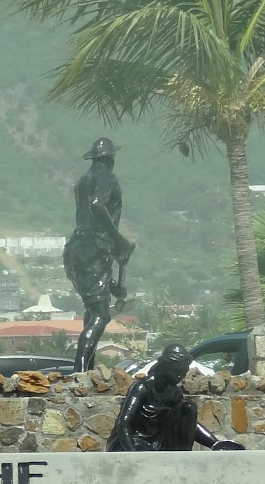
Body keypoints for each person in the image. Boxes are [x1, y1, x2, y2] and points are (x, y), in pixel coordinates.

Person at [64, 137, 135, 373]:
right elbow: (97, 205)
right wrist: (119, 240)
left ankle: (88, 371)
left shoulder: (83, 181)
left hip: (77, 247)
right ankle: (81, 372)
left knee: (93, 309)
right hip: (94, 247)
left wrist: (114, 287)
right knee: (101, 315)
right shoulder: (106, 177)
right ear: (109, 158)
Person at [107, 342, 243, 452]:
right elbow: (124, 422)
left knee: (189, 407)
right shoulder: (143, 387)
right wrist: (132, 453)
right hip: (133, 441)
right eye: (177, 372)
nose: (181, 377)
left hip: (159, 443)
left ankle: (182, 456)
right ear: (165, 366)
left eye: (183, 373)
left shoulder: (175, 392)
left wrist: (215, 443)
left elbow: (189, 423)